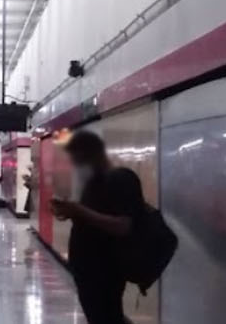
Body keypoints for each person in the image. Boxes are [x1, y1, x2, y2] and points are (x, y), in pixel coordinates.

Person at [50, 131, 144, 324]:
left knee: (107, 317)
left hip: (105, 271)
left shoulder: (122, 180)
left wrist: (79, 211)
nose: (77, 166)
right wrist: (70, 212)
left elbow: (123, 226)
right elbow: (90, 219)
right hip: (87, 271)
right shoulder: (93, 184)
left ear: (93, 155)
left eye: (80, 160)